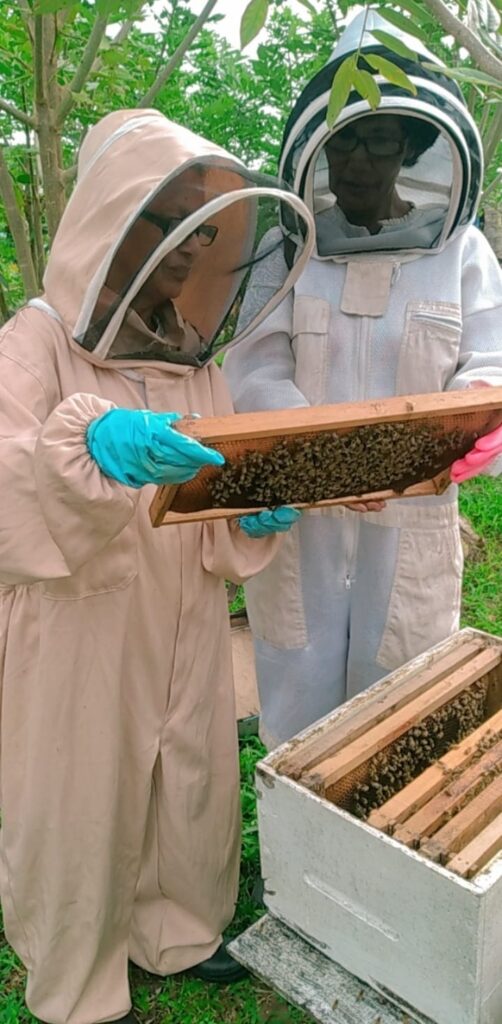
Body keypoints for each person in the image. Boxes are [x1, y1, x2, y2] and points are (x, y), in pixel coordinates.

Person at [0, 109, 314, 1024]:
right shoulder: (37, 342)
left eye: (200, 228)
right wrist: (86, 447)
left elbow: (206, 512)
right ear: (110, 220)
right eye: (161, 219)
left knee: (188, 775)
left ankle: (177, 930)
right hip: (77, 626)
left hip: (185, 616)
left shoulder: (191, 355)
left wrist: (245, 510)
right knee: (80, 794)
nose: (185, 246)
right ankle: (76, 977)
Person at [224, 12, 502, 751]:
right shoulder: (289, 249)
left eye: (379, 140)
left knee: (403, 712)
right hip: (303, 521)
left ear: (413, 146)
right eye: (343, 140)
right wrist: (323, 459)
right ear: (318, 147)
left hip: (411, 520)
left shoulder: (461, 253)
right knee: (298, 718)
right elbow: (254, 364)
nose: (357, 161)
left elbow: (492, 361)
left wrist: (466, 429)